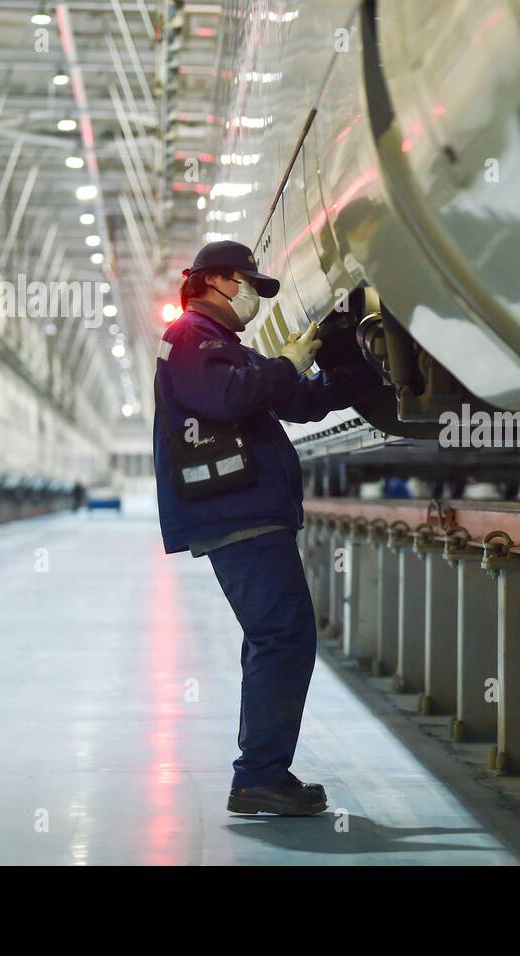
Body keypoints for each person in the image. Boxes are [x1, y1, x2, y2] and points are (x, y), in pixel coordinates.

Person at [152, 239, 376, 815]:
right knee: (282, 635)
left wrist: (347, 364)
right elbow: (229, 397)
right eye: (249, 283)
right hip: (236, 513)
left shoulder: (228, 348)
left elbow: (299, 401)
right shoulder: (192, 339)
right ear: (219, 281)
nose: (254, 296)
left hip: (249, 514)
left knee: (278, 636)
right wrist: (284, 365)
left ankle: (261, 773)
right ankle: (258, 776)